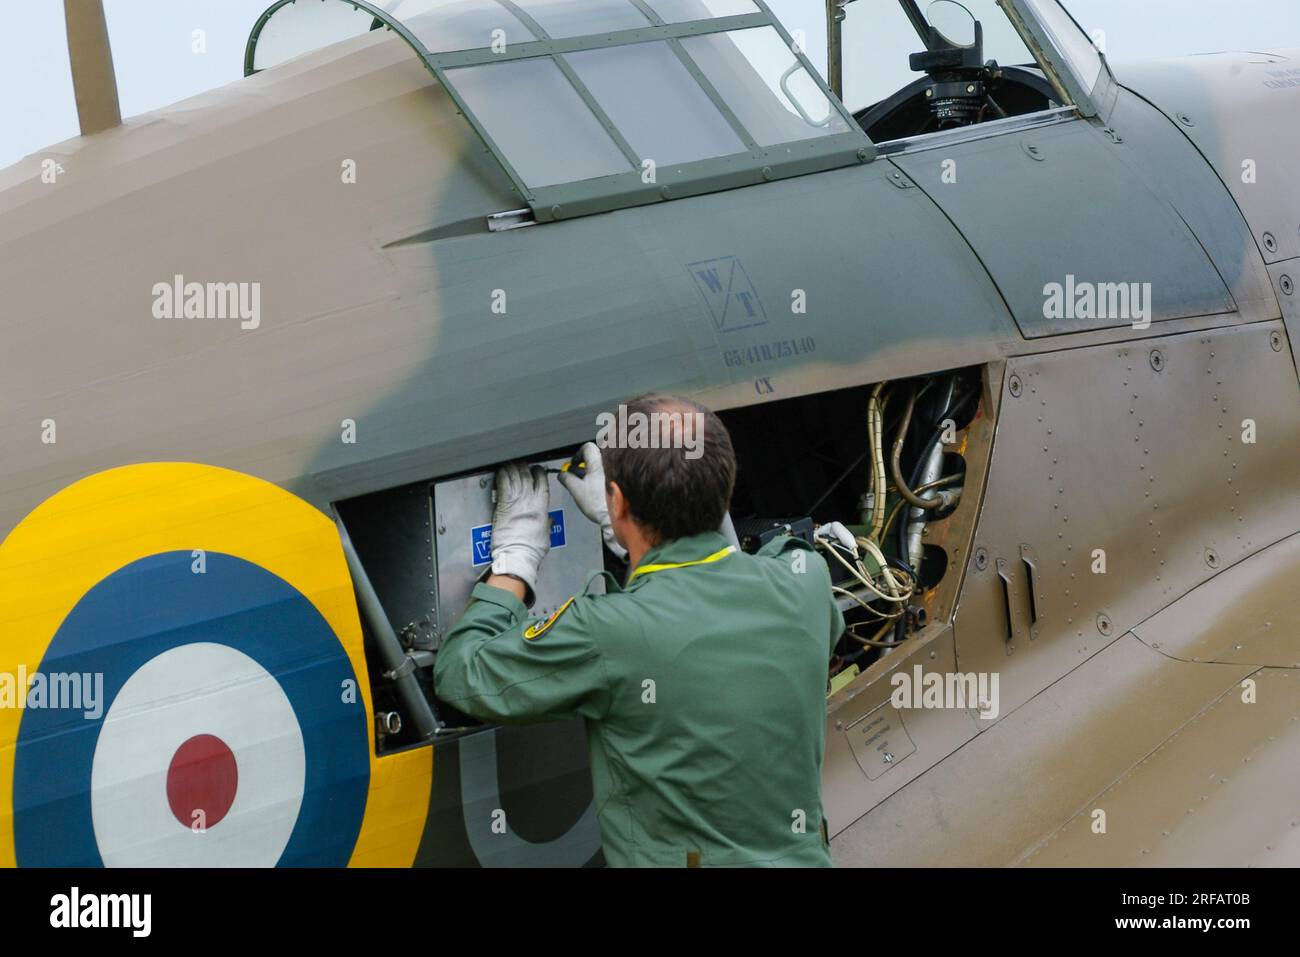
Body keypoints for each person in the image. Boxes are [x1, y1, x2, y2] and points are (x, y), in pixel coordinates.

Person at [433, 394, 844, 867]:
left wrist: (516, 561)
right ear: (726, 487)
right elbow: (740, 596)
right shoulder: (806, 581)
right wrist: (627, 534)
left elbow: (464, 672)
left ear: (619, 500)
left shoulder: (608, 632)